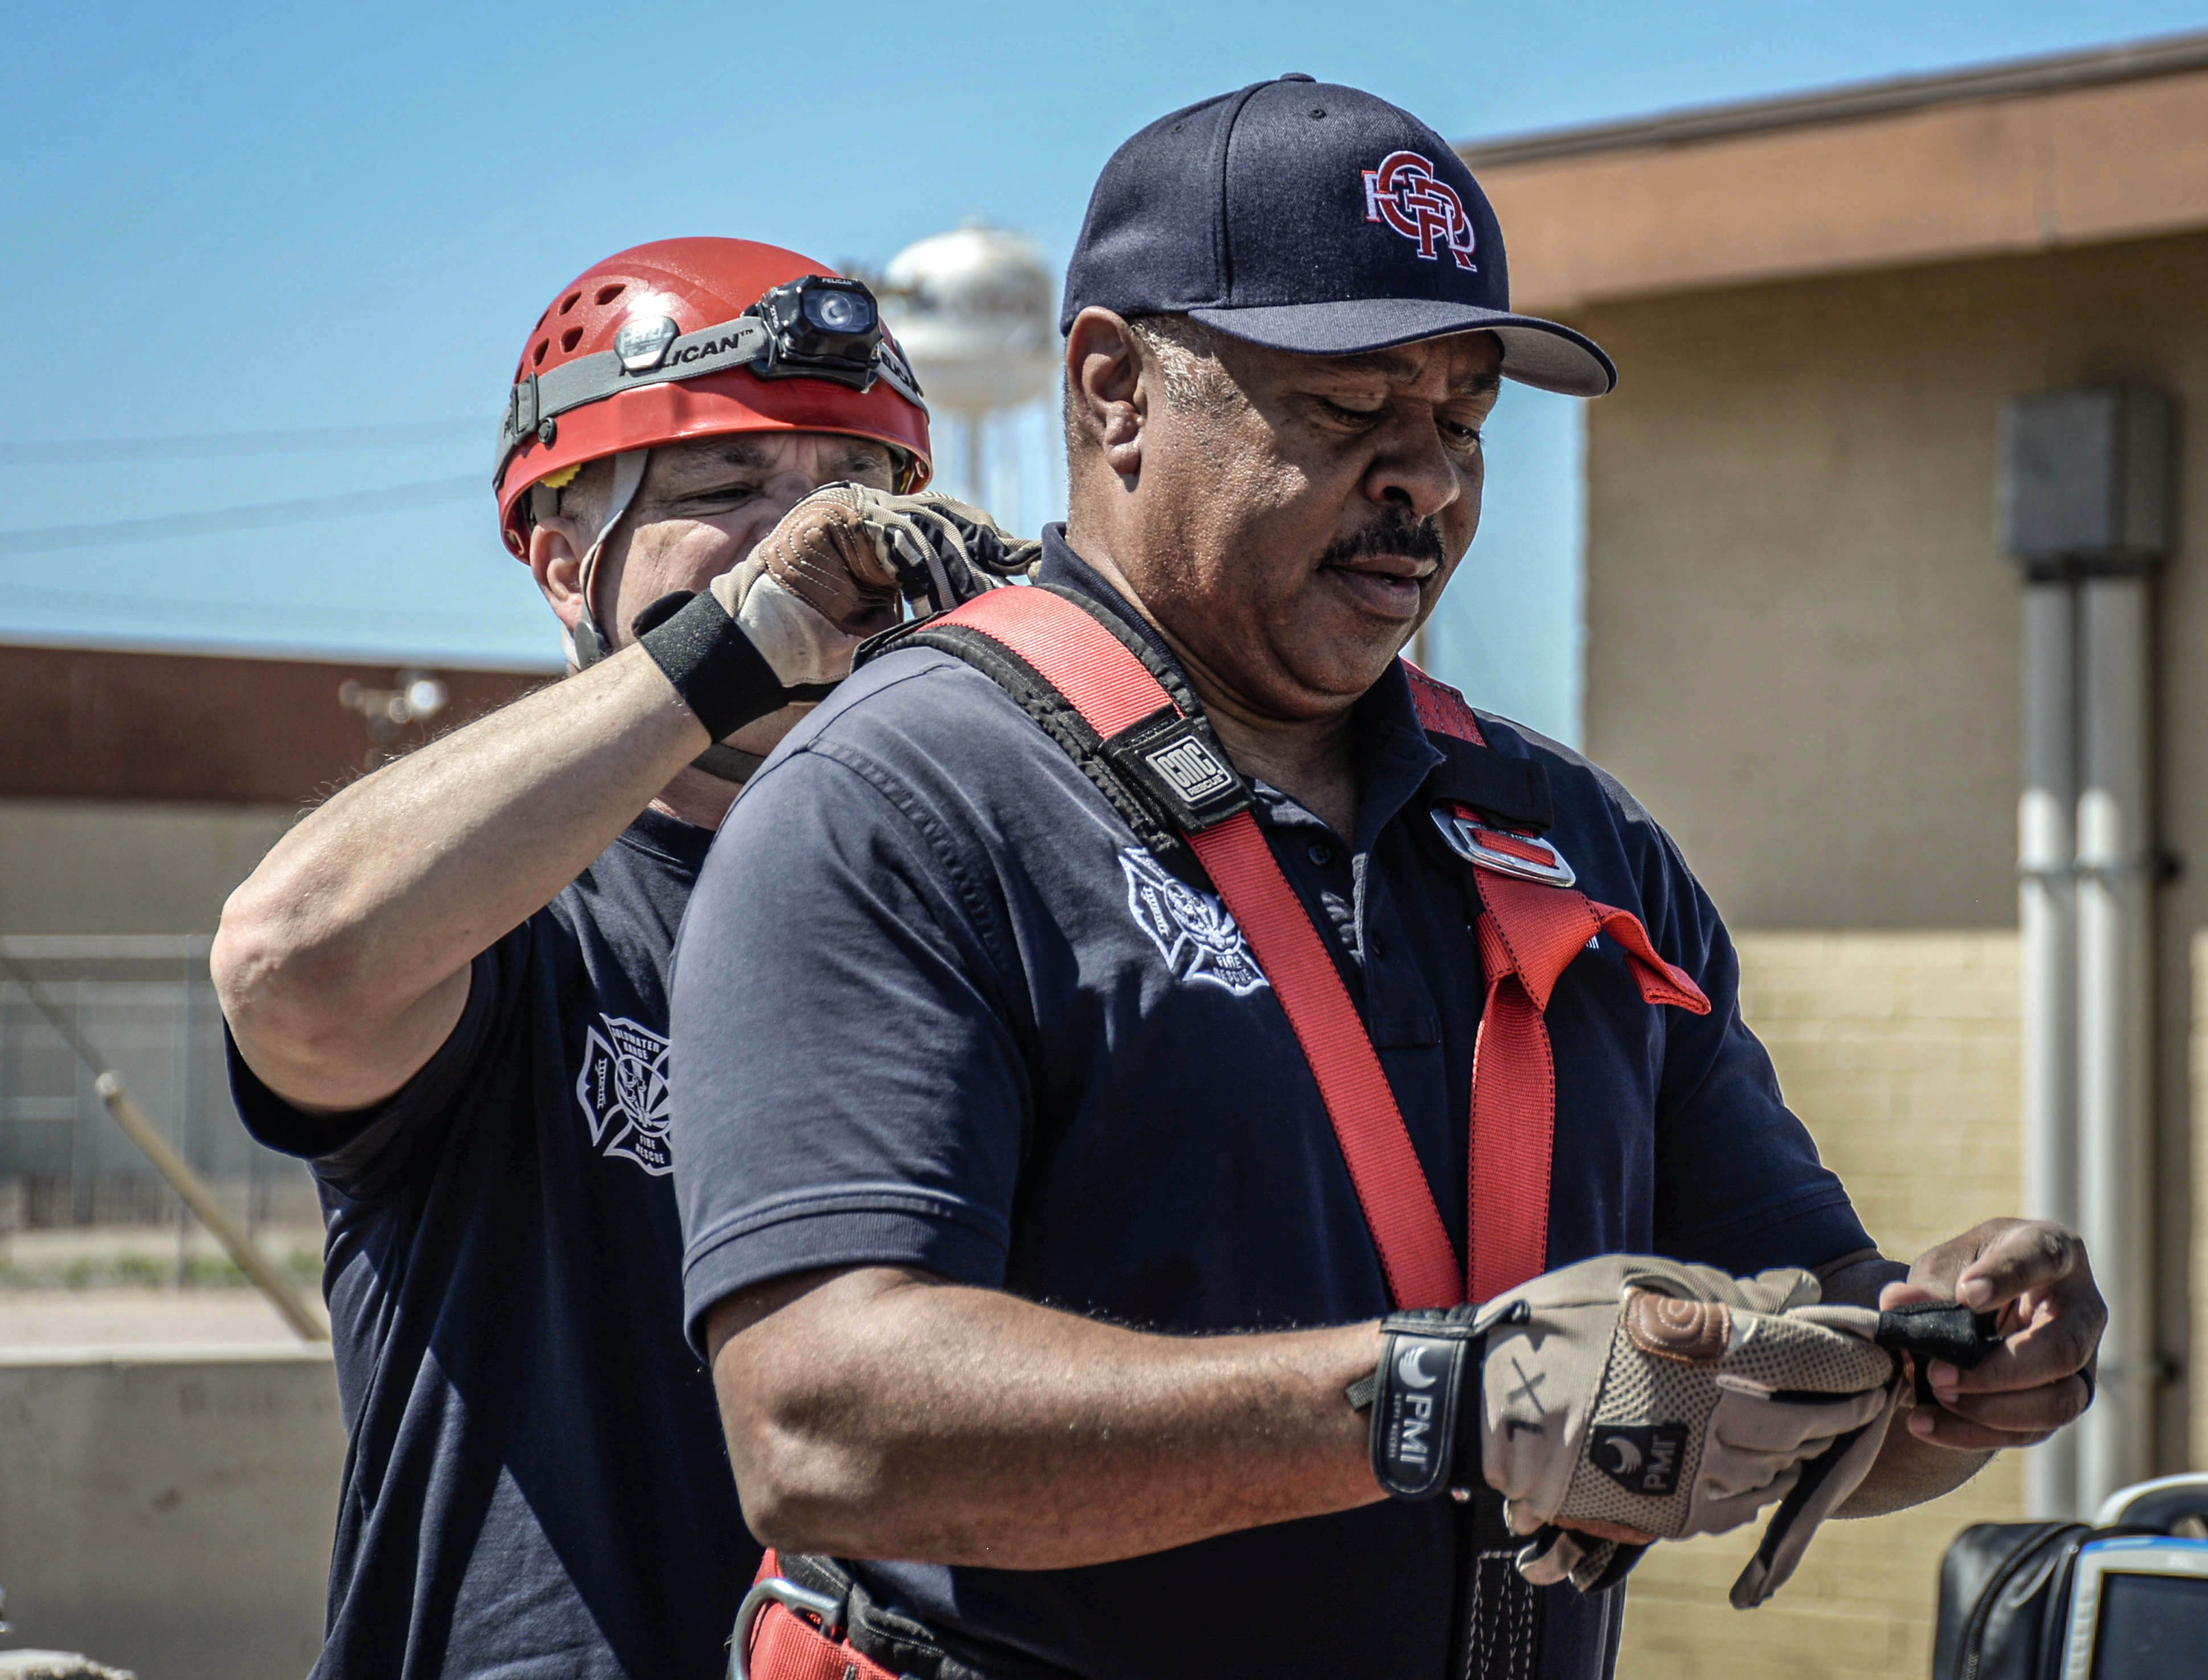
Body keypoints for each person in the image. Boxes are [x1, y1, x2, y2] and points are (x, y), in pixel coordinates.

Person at [667, 83, 2105, 1680]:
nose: (1423, 479)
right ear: (1111, 388)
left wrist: (1944, 1363)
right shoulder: (904, 799)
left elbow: (1806, 1370)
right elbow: (816, 1424)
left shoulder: (1568, 838)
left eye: (1464, 415)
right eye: (1350, 404)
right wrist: (1437, 1397)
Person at [210, 236, 1018, 1678]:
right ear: (565, 558)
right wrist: (741, 636)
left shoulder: (963, 925)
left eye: (856, 497)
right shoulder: (523, 923)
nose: (808, 539)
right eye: (727, 490)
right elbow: (291, 962)